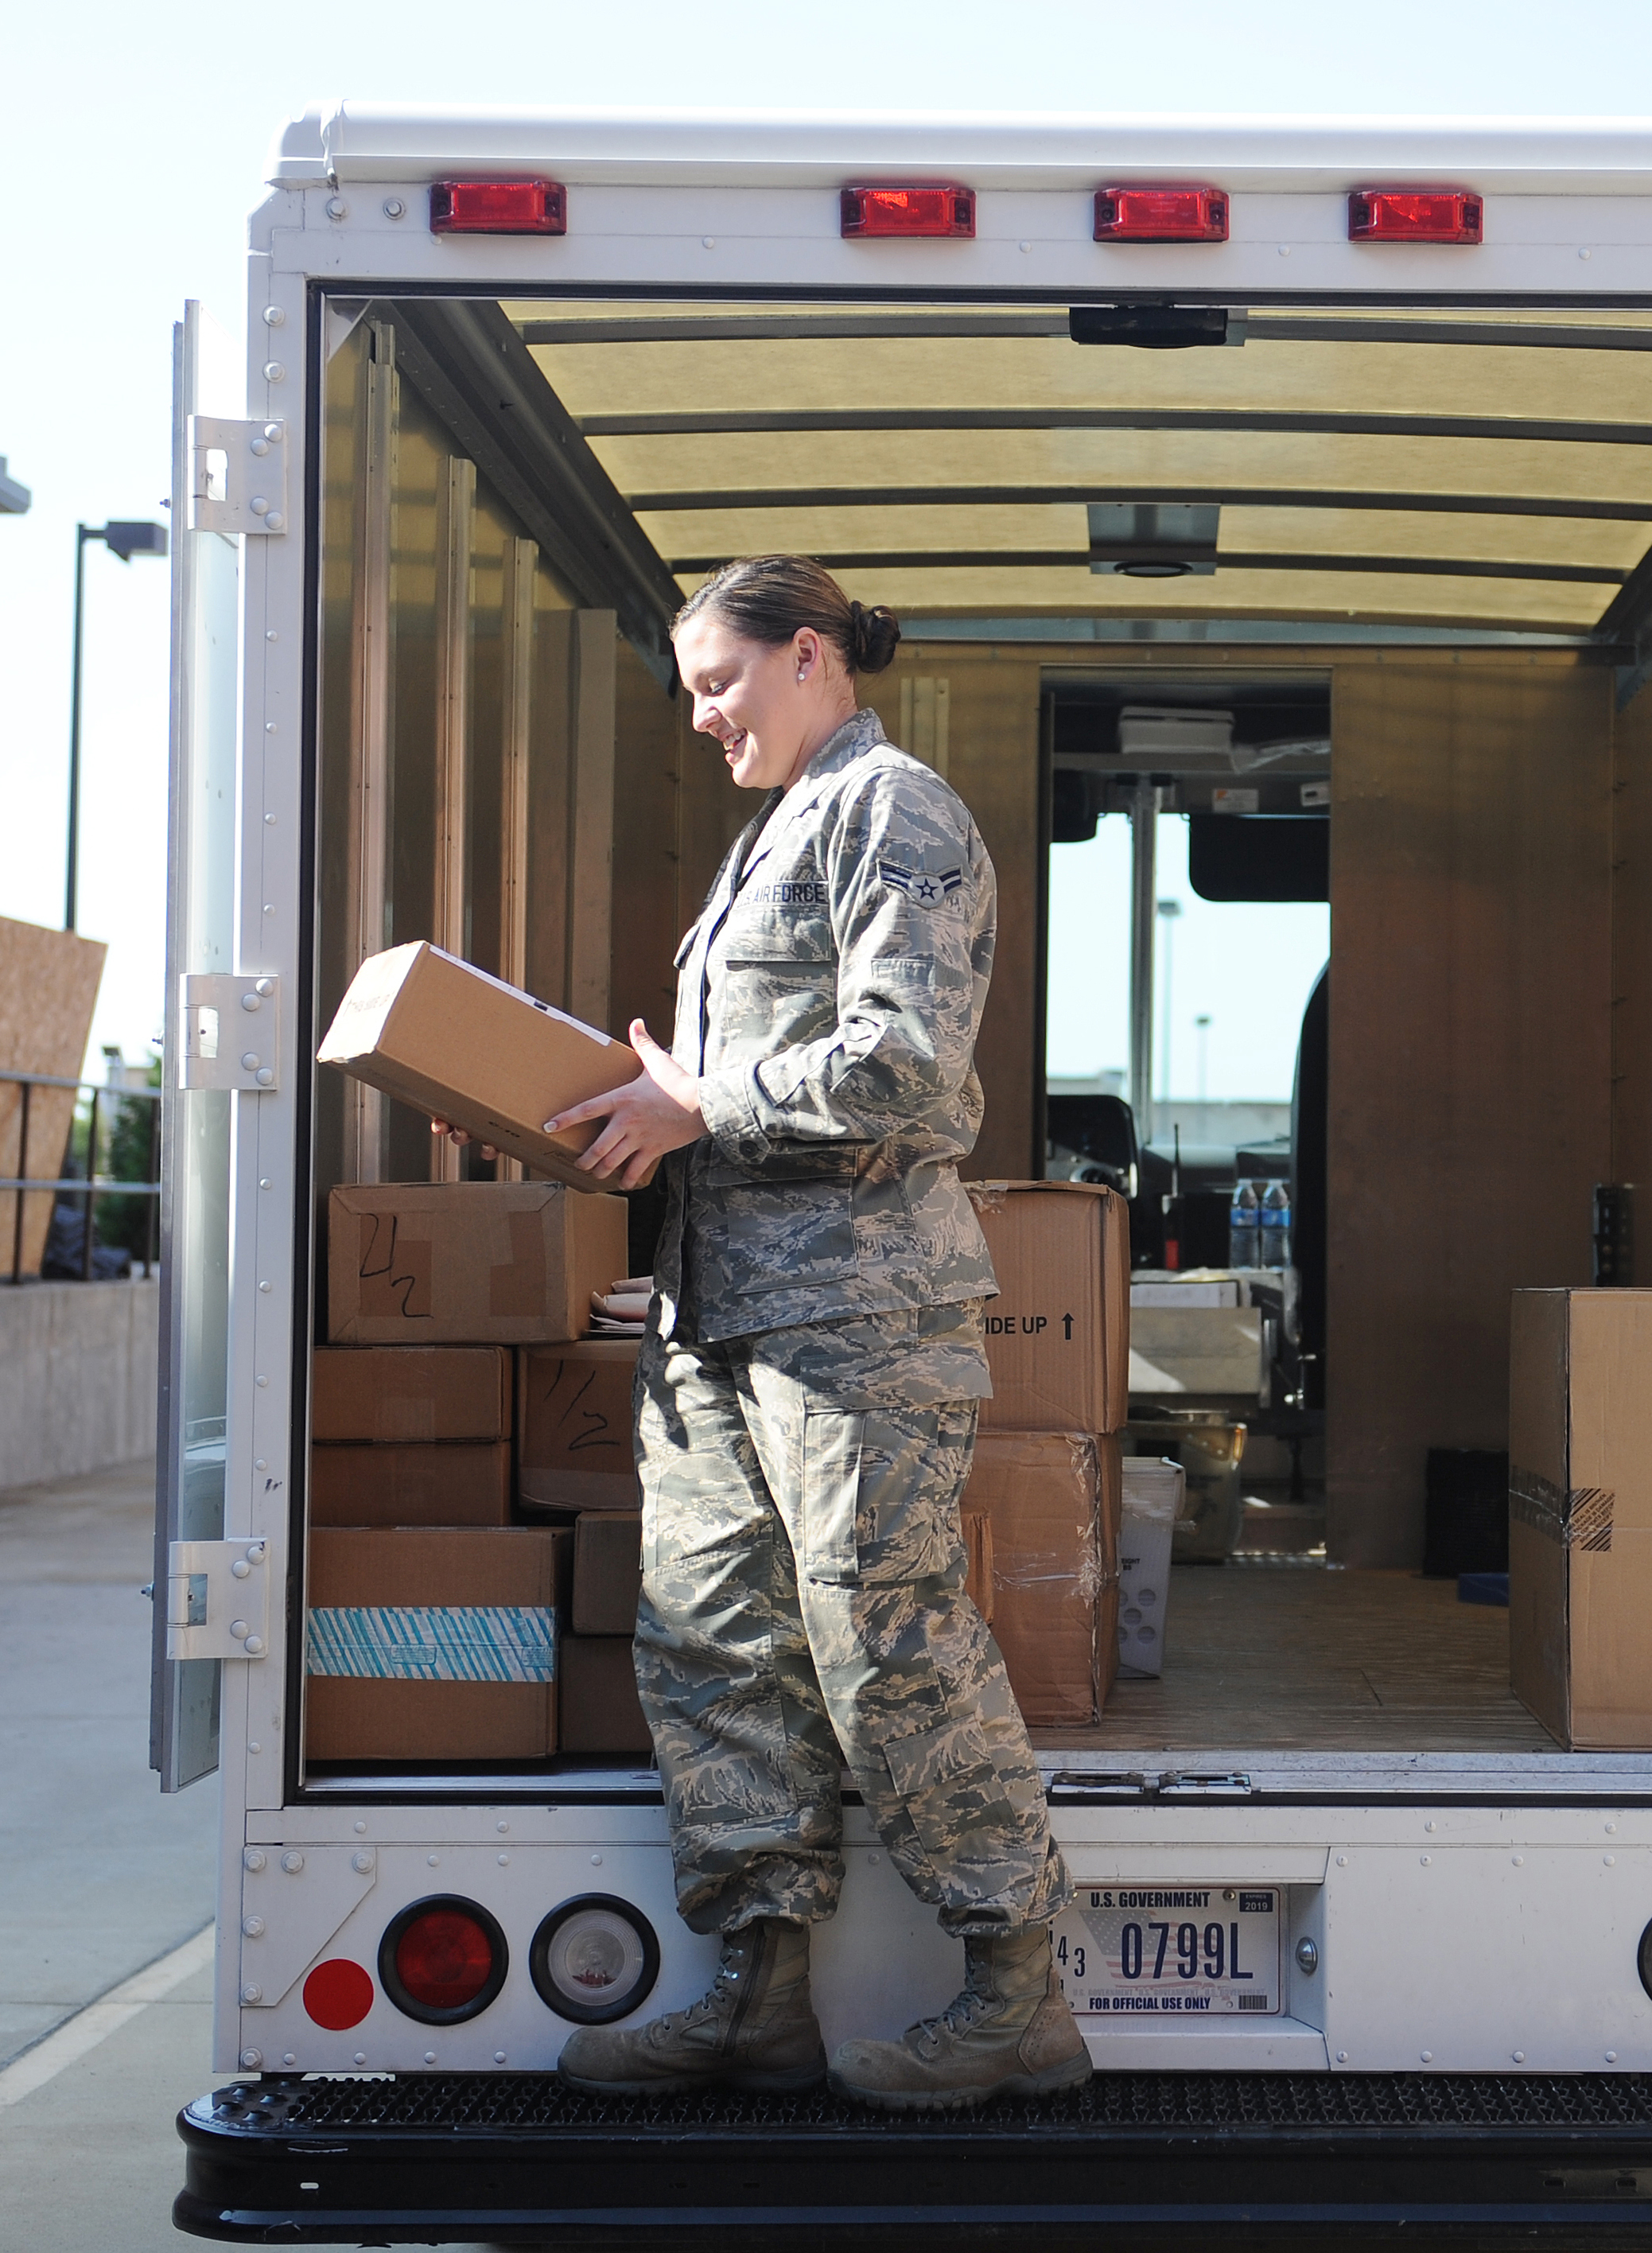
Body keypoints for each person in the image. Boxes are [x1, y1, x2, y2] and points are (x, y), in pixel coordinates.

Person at [537, 555, 1083, 2114]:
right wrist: (668, 1085)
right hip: (718, 1320)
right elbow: (765, 1070)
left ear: (808, 656)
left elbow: (913, 1076)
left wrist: (699, 1097)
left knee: (884, 1647)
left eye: (717, 681)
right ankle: (758, 1995)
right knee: (715, 1645)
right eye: (689, 691)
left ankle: (1017, 1995)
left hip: (853, 1322)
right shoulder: (776, 828)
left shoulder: (890, 809)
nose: (699, 714)